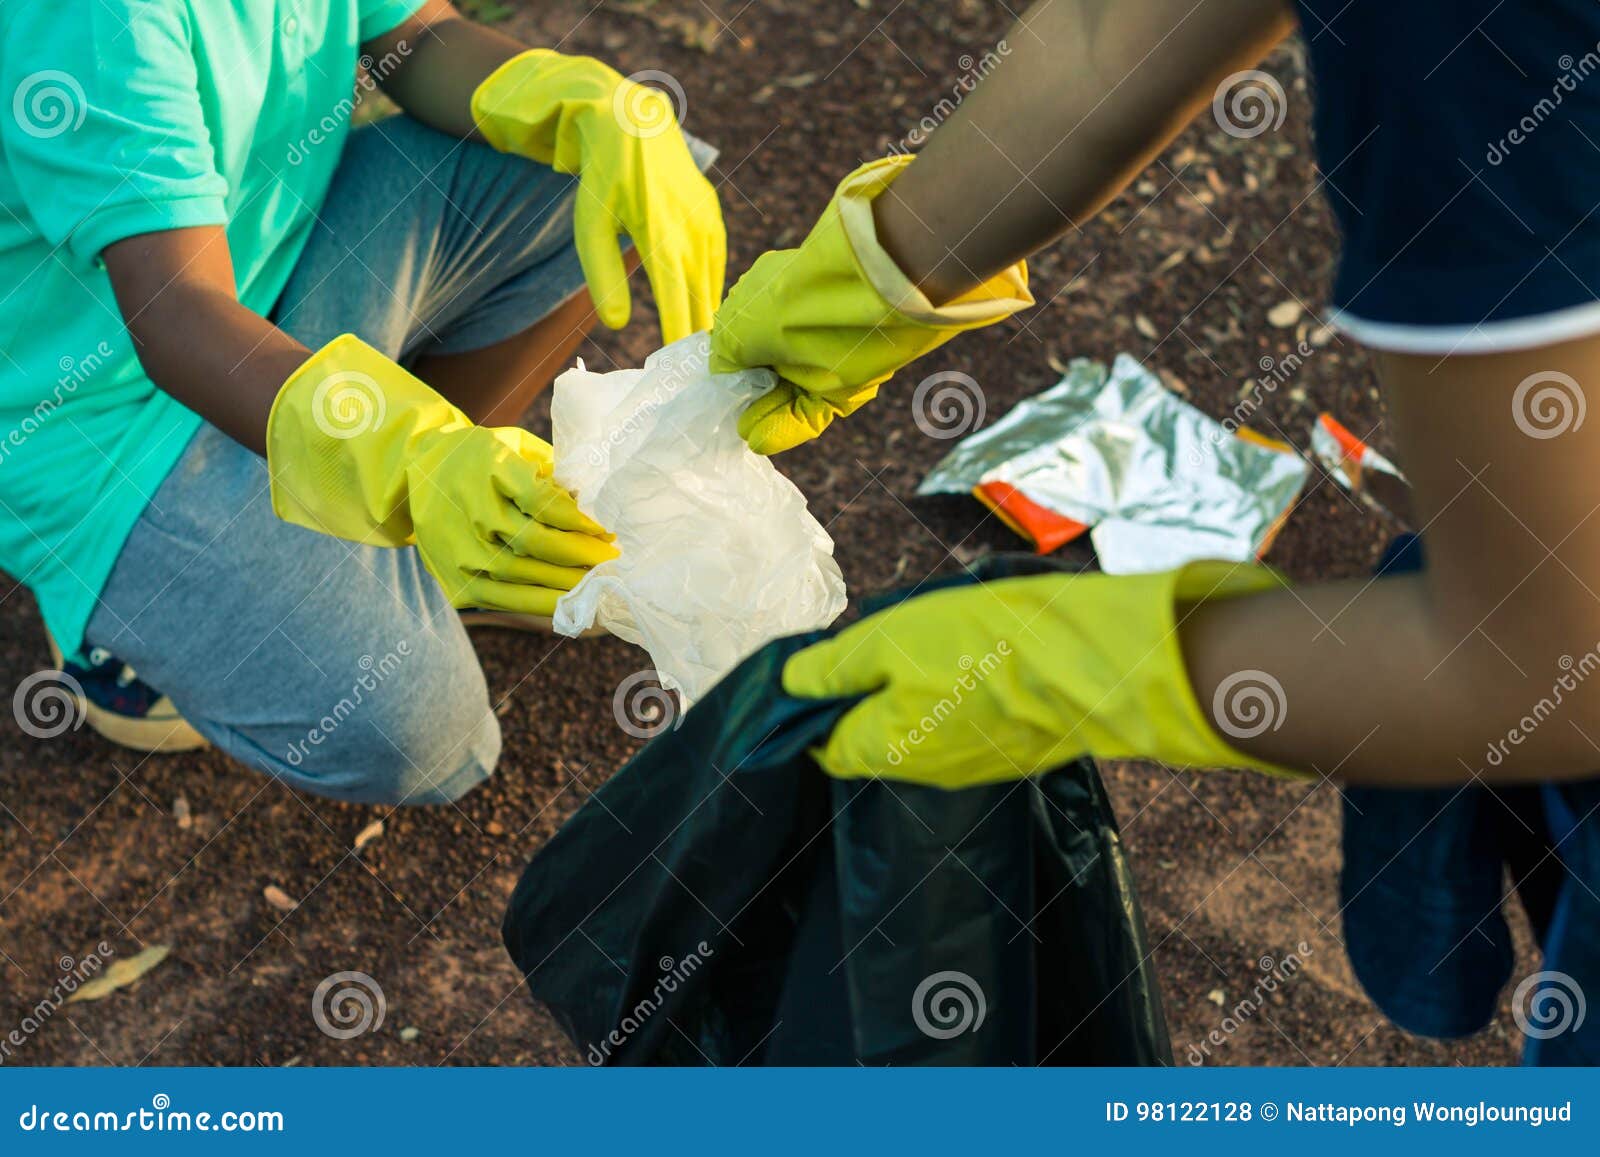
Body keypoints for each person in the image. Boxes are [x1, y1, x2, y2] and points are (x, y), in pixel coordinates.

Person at [708, 0, 1600, 792]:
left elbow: (1550, 668)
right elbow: (1108, 43)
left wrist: (1072, 669)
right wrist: (871, 279)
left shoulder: (1481, 55)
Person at [0, 0, 724, 803]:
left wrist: (575, 103)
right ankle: (134, 642)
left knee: (608, 175)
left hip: (273, 251)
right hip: (99, 431)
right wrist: (409, 452)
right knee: (420, 732)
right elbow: (175, 315)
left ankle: (430, 528)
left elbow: (414, 41)